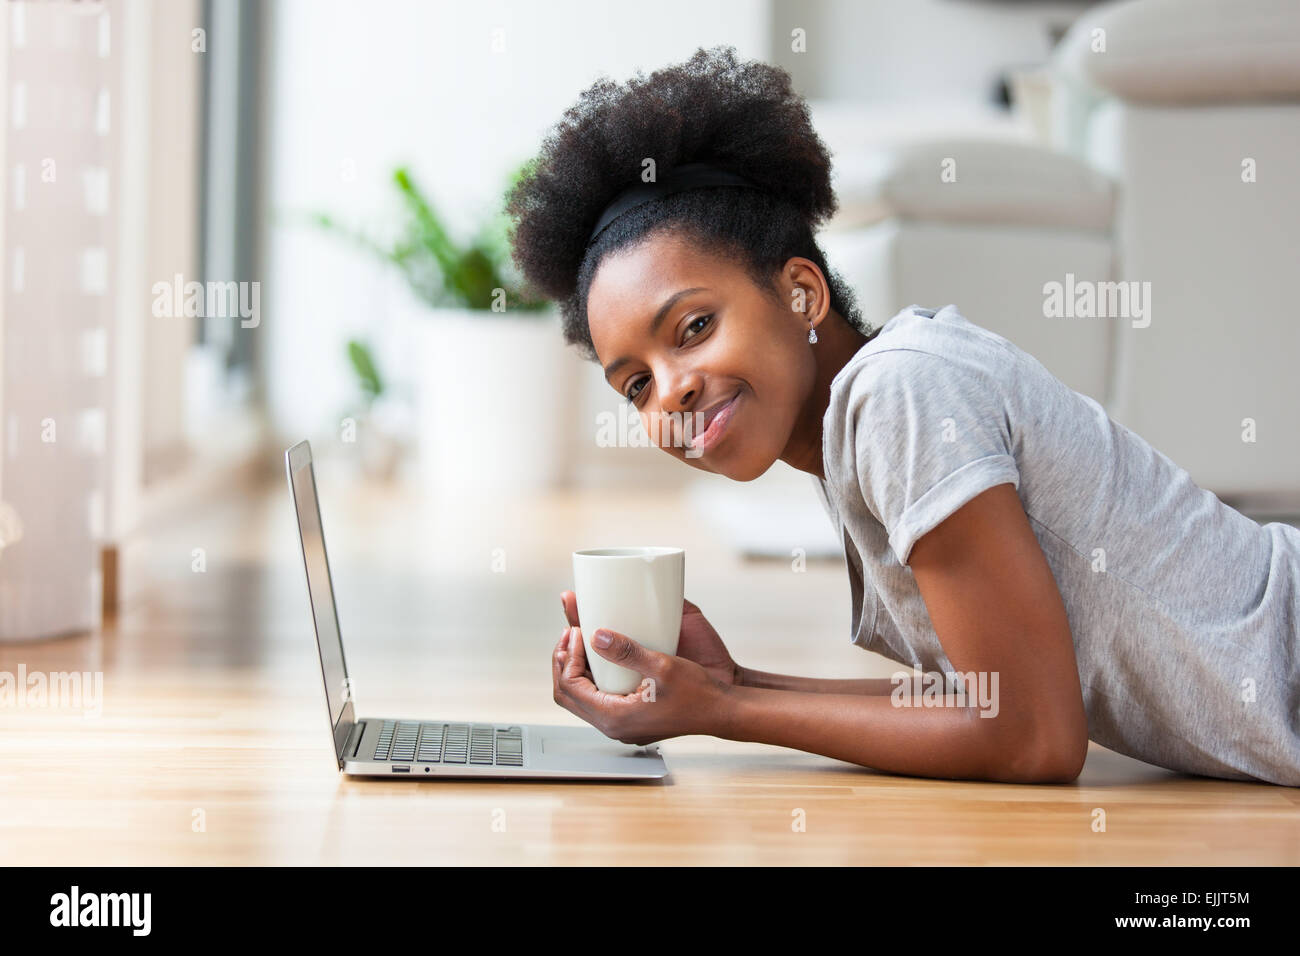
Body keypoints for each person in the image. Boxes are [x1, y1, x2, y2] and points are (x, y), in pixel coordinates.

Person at [505, 45, 1300, 786]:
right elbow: (981, 698)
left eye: (694, 328)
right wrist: (731, 687)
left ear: (801, 293)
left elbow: (1033, 735)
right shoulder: (855, 423)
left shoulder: (899, 397)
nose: (671, 389)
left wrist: (731, 713)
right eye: (635, 384)